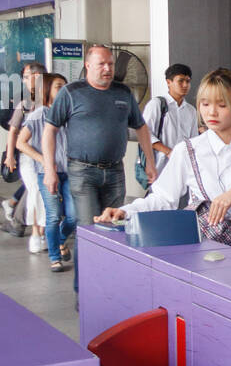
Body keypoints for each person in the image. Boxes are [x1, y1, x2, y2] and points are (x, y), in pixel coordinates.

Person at [95, 67, 231, 257]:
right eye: (205, 104)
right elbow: (163, 199)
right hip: (205, 250)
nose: (211, 113)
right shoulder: (188, 151)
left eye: (221, 105)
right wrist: (125, 211)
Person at [43, 44, 157, 294]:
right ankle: (84, 293)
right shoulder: (71, 93)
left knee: (116, 229)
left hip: (115, 172)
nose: (107, 69)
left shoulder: (123, 93)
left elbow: (141, 127)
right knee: (89, 230)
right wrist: (50, 169)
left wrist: (150, 161)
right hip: (82, 172)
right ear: (87, 65)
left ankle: (111, 290)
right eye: (101, 64)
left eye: (111, 64)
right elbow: (50, 129)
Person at [17, 74, 75, 272]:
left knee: (73, 215)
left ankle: (58, 239)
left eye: (65, 86)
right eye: (59, 86)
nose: (63, 90)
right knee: (53, 215)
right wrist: (44, 161)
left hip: (70, 172)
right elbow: (20, 143)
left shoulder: (70, 113)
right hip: (46, 173)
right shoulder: (38, 114)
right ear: (48, 89)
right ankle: (54, 257)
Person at [4, 61, 47, 249]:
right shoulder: (24, 104)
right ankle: (36, 233)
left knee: (44, 194)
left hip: (50, 156)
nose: (26, 81)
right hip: (29, 157)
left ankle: (42, 231)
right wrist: (10, 155)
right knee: (36, 191)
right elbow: (13, 131)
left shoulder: (50, 102)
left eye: (28, 77)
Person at [142, 63, 198, 177]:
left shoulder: (191, 110)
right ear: (169, 82)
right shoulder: (157, 104)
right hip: (159, 165)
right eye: (181, 81)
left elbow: (193, 139)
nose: (185, 85)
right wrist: (168, 152)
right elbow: (145, 134)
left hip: (183, 166)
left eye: (188, 81)